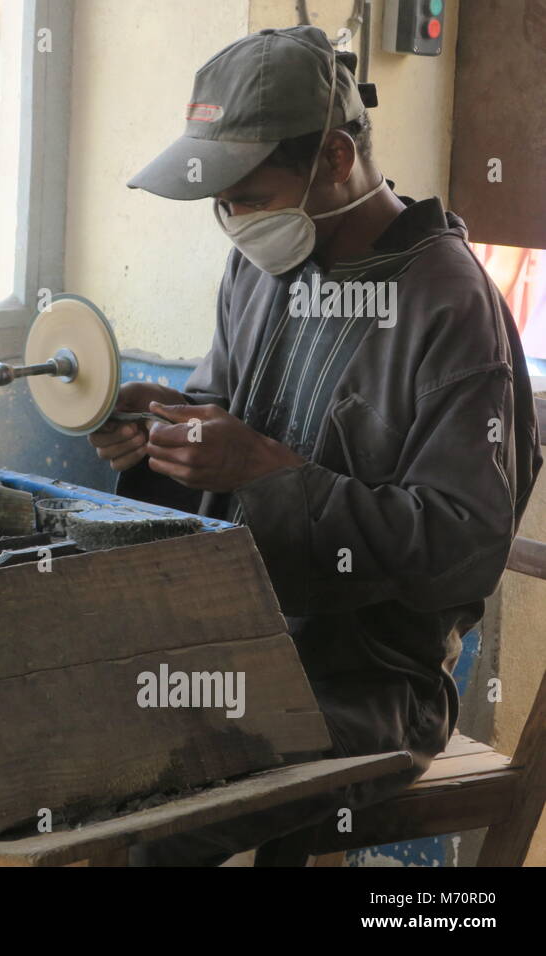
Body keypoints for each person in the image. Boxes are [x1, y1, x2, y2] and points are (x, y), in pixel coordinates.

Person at [97, 25, 542, 865]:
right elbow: (220, 408)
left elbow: (463, 548)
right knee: (58, 724)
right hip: (239, 638)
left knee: (145, 801)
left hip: (371, 685)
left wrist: (268, 474)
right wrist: (163, 438)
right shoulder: (262, 267)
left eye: (247, 195)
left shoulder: (451, 307)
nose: (231, 221)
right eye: (218, 201)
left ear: (335, 158)